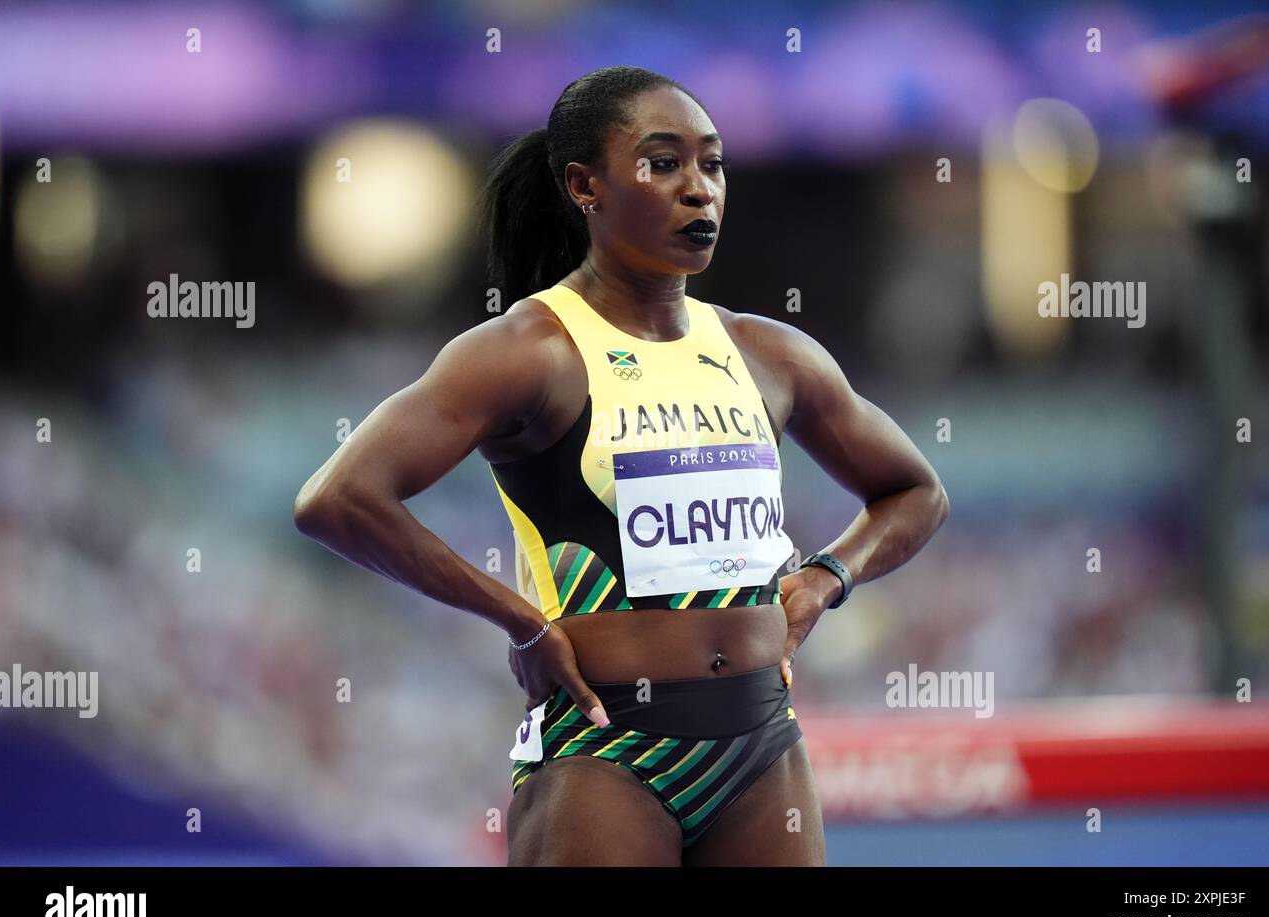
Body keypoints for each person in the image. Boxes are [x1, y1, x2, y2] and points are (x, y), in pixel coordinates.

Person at [293, 66, 949, 866]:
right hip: (607, 751)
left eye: (712, 164)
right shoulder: (530, 351)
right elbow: (338, 499)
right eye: (663, 162)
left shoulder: (768, 354)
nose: (699, 189)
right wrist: (520, 619)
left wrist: (824, 579)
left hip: (759, 746)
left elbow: (916, 491)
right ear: (584, 185)